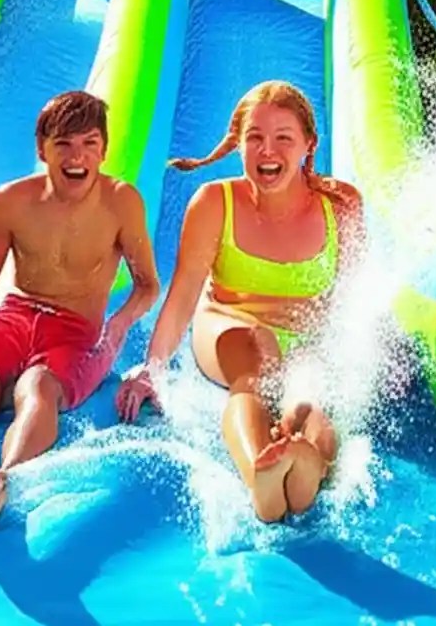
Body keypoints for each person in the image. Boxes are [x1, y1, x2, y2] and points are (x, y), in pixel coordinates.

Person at [0, 90, 161, 528]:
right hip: (14, 316)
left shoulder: (122, 202)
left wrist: (120, 322)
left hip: (78, 332)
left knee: (38, 388)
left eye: (89, 144)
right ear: (42, 149)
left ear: (104, 150)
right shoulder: (10, 201)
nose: (77, 157)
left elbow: (148, 286)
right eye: (64, 145)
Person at [115, 80, 365, 523]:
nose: (267, 151)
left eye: (283, 138)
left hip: (306, 334)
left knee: (307, 394)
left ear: (309, 144)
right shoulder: (215, 202)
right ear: (238, 145)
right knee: (257, 359)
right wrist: (152, 369)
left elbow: (353, 298)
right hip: (230, 324)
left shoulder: (341, 206)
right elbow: (185, 292)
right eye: (255, 138)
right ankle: (261, 477)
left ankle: (305, 464)